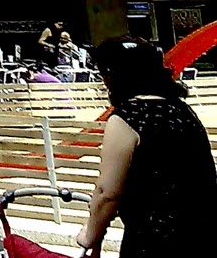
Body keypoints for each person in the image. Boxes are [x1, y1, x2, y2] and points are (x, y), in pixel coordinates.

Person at [75, 37, 217, 258]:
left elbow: (107, 192)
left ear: (113, 76)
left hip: (154, 241)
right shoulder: (182, 111)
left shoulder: (127, 117)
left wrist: (90, 235)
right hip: (204, 235)